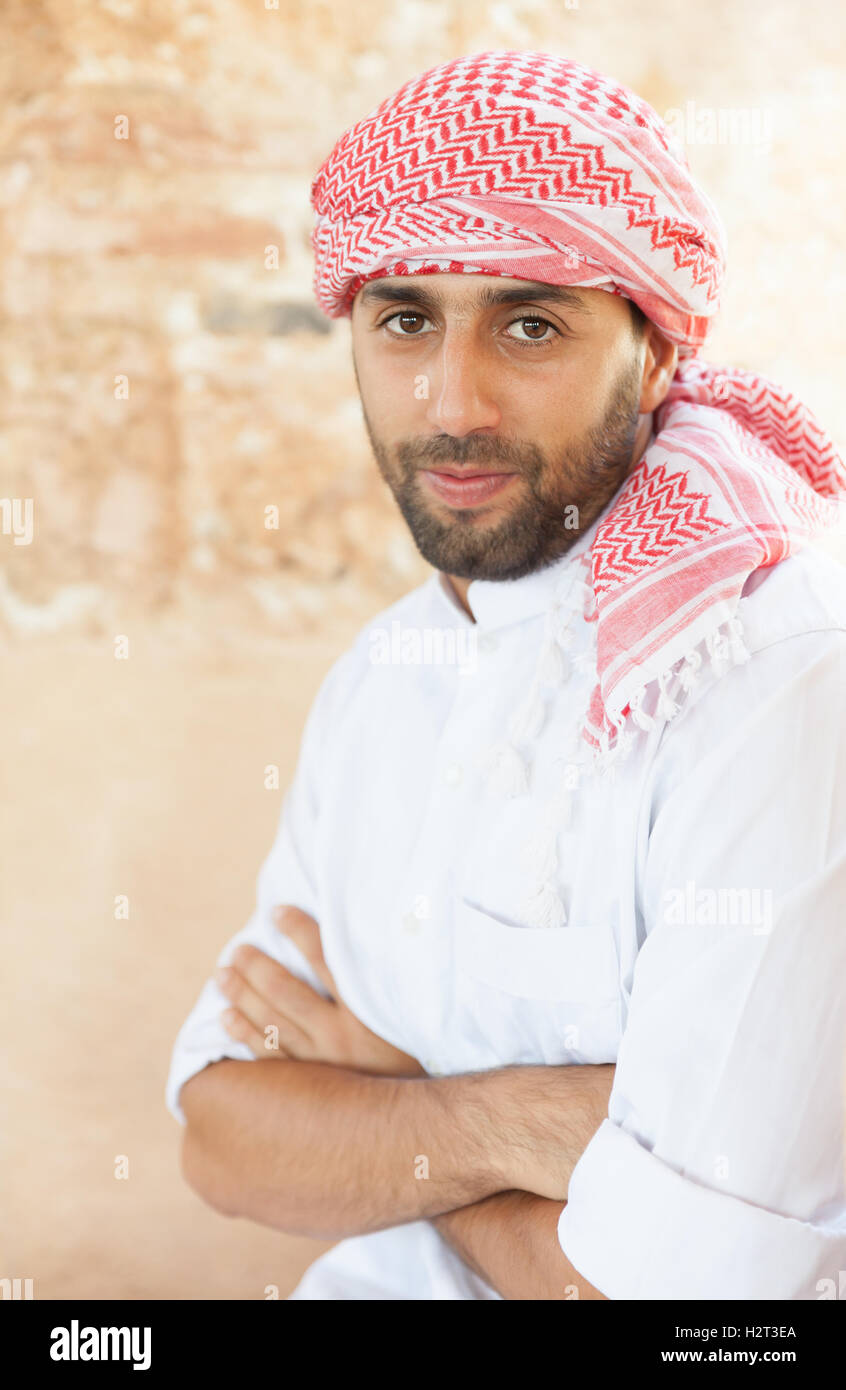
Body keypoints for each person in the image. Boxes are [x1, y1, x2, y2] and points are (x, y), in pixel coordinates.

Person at [166, 50, 846, 1300]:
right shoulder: (383, 680)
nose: (453, 401)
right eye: (406, 319)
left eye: (530, 322)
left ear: (652, 353)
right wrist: (504, 1127)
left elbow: (689, 1309)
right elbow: (221, 1135)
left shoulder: (778, 683)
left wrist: (387, 1095)